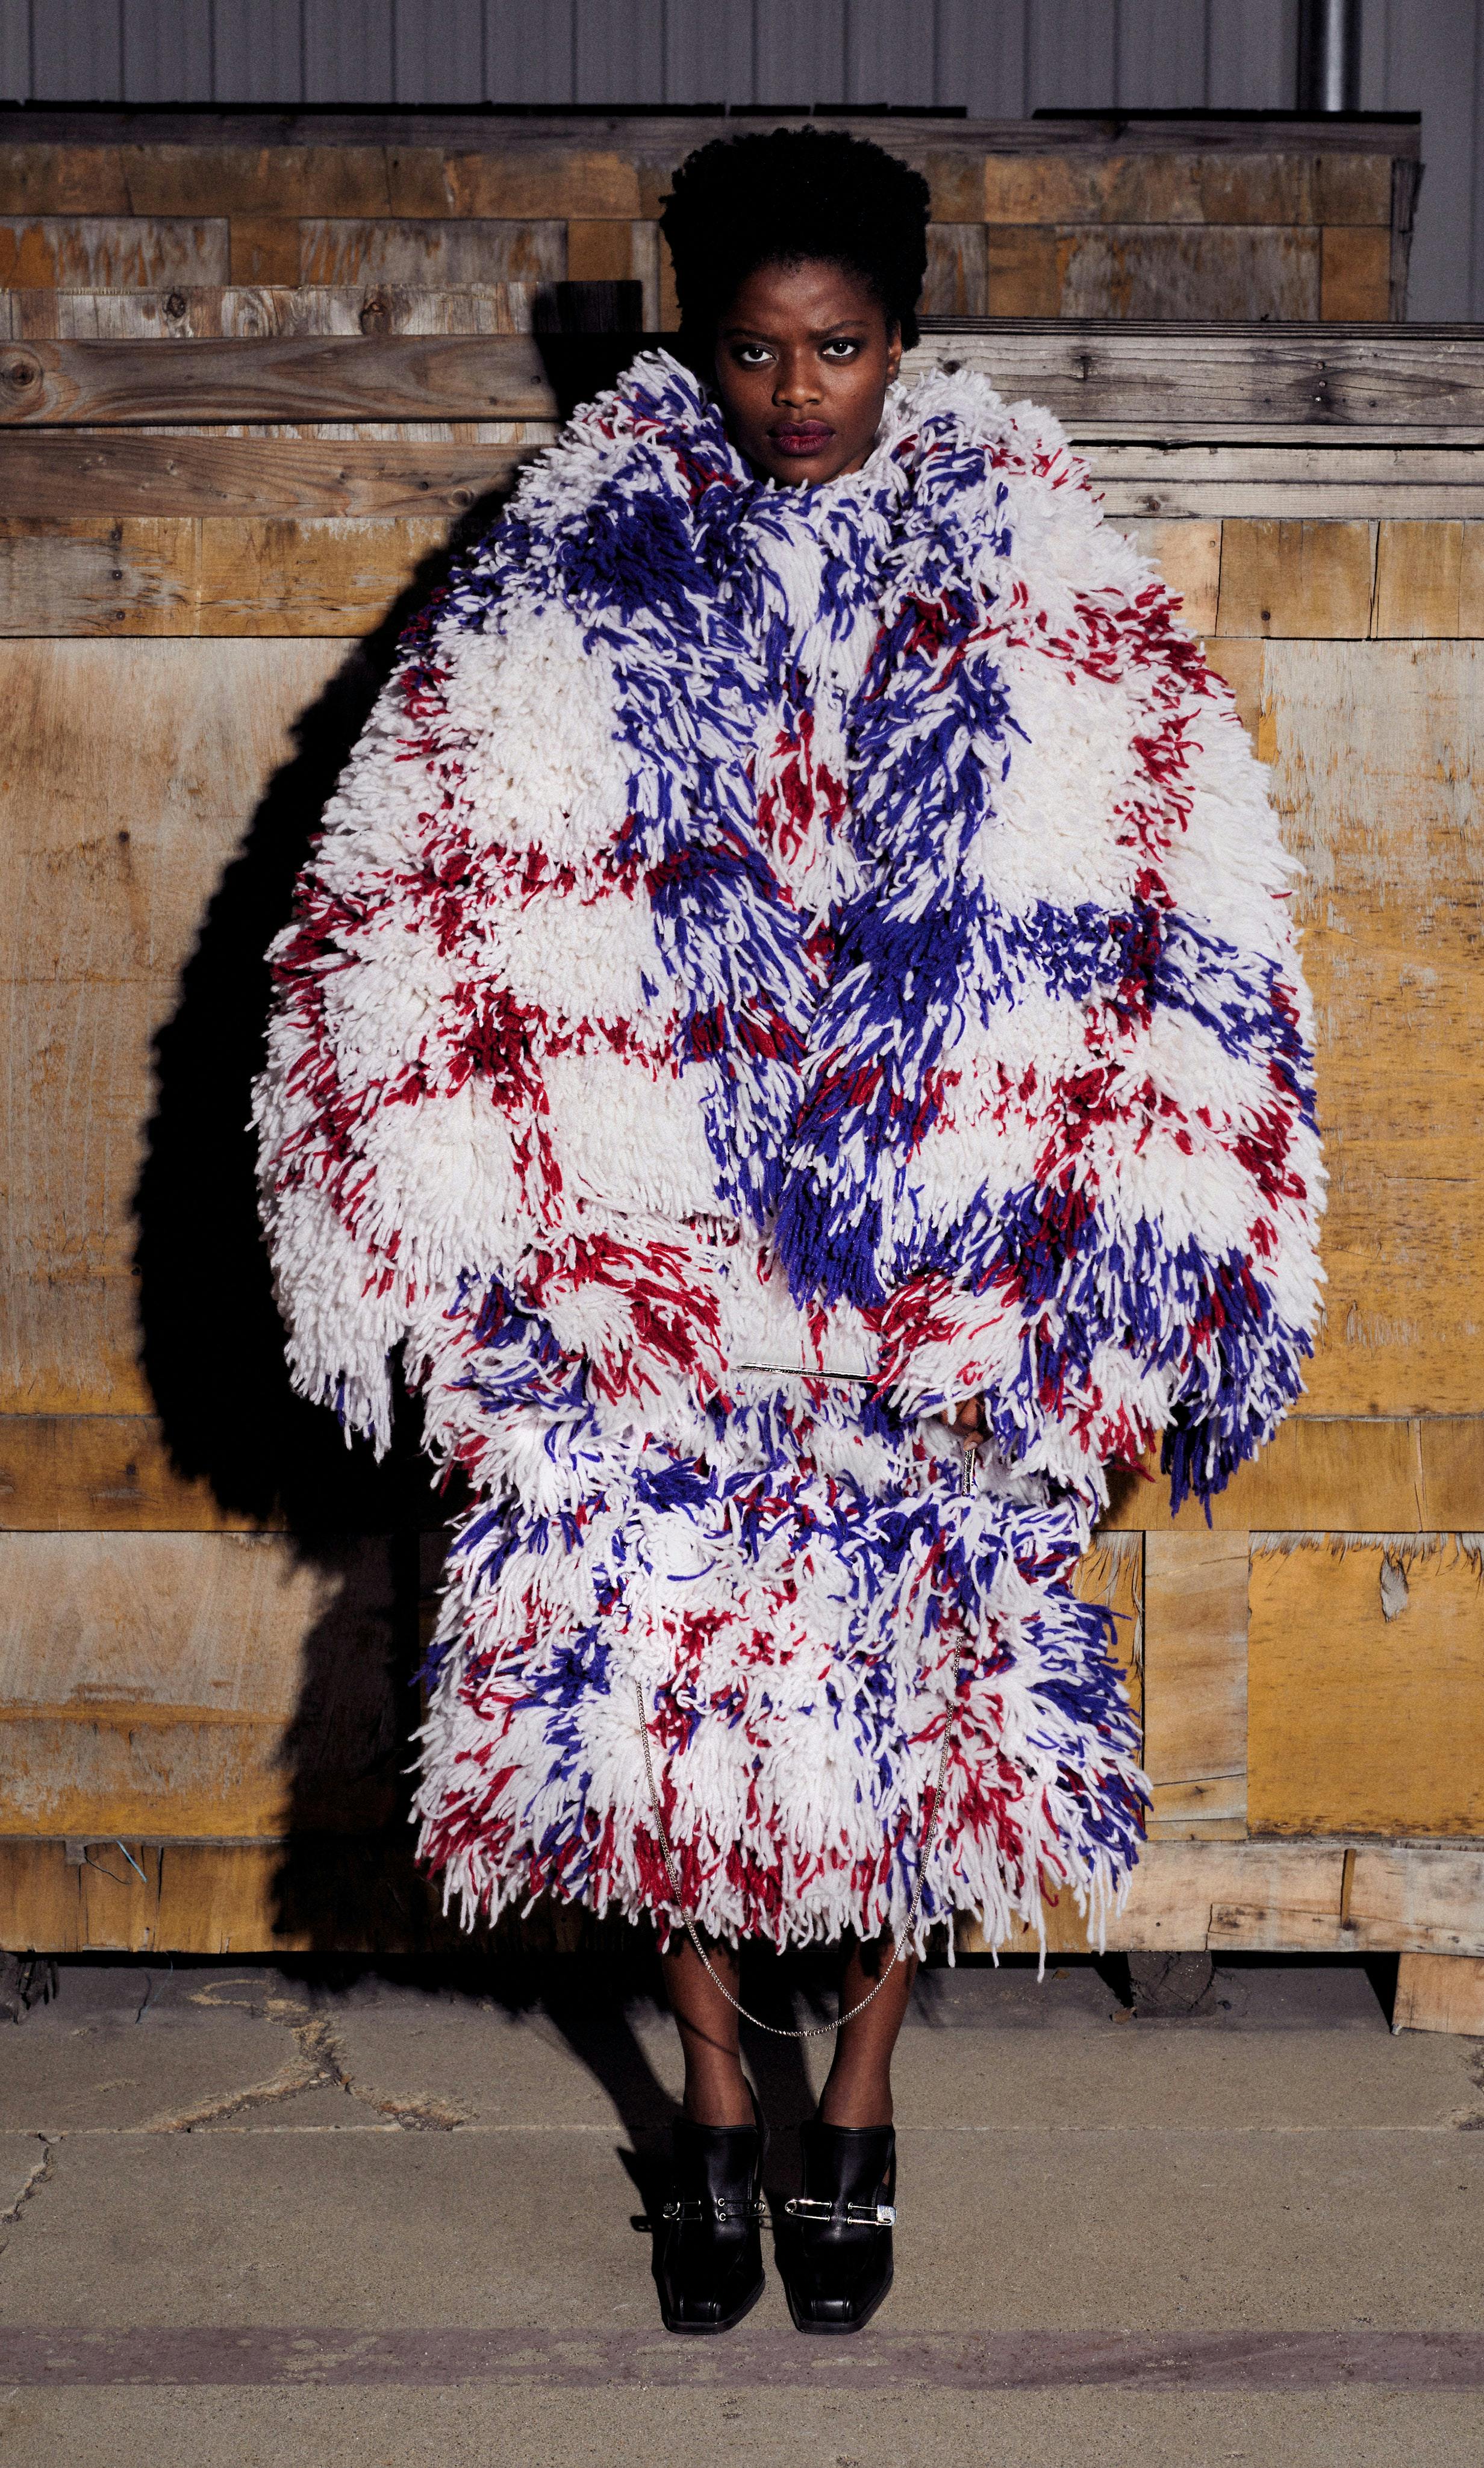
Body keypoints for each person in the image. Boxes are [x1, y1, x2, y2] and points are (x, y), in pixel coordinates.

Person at [256, 128, 1323, 2339]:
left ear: (903, 339)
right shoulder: (563, 577)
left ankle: (863, 2100)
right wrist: (482, 1241)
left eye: (837, 347)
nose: (796, 392)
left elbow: (1175, 893)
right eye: (752, 351)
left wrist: (1112, 1221)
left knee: (924, 1678)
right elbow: (412, 887)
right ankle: (717, 2108)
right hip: (665, 1250)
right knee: (658, 1684)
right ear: (697, 344)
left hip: (936, 1247)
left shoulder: (1042, 572)